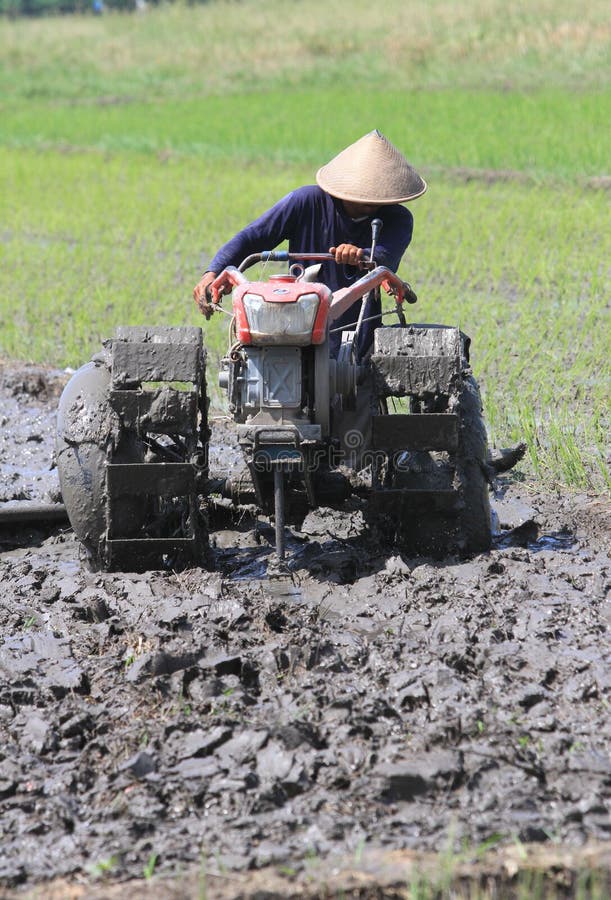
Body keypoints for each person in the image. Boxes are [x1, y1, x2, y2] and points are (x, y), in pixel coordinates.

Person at [193, 129, 426, 359]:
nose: (371, 200)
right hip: (293, 324)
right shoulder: (305, 202)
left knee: (360, 383)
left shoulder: (397, 218)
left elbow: (386, 258)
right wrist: (214, 271)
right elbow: (254, 237)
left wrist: (361, 255)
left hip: (358, 337)